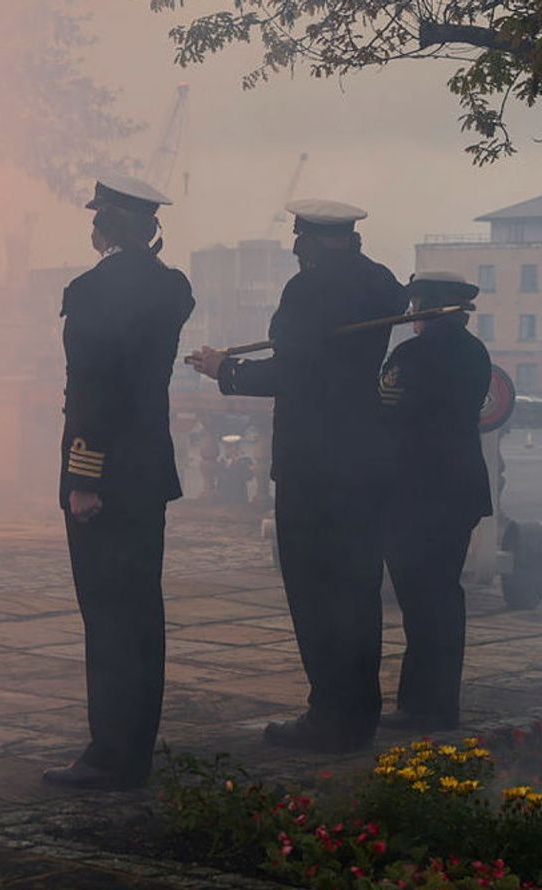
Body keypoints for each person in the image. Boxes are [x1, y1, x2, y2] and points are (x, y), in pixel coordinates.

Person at [187, 199, 406, 753]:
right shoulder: (381, 283)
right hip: (366, 456)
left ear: (308, 241)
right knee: (357, 589)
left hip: (316, 462)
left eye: (298, 239)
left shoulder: (307, 292)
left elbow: (293, 373)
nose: (294, 248)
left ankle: (329, 714)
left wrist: (225, 370)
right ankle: (359, 712)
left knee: (315, 590)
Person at [43, 175, 195, 790]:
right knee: (141, 611)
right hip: (147, 469)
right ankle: (136, 747)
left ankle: (109, 755)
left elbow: (92, 386)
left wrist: (83, 474)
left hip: (103, 472)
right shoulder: (173, 287)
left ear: (104, 223)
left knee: (107, 616)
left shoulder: (91, 290)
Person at [379, 272, 493, 732]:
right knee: (442, 597)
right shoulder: (474, 352)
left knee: (422, 602)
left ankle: (422, 705)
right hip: (459, 489)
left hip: (415, 491)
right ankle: (438, 701)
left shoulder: (412, 355)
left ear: (424, 306)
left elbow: (385, 409)